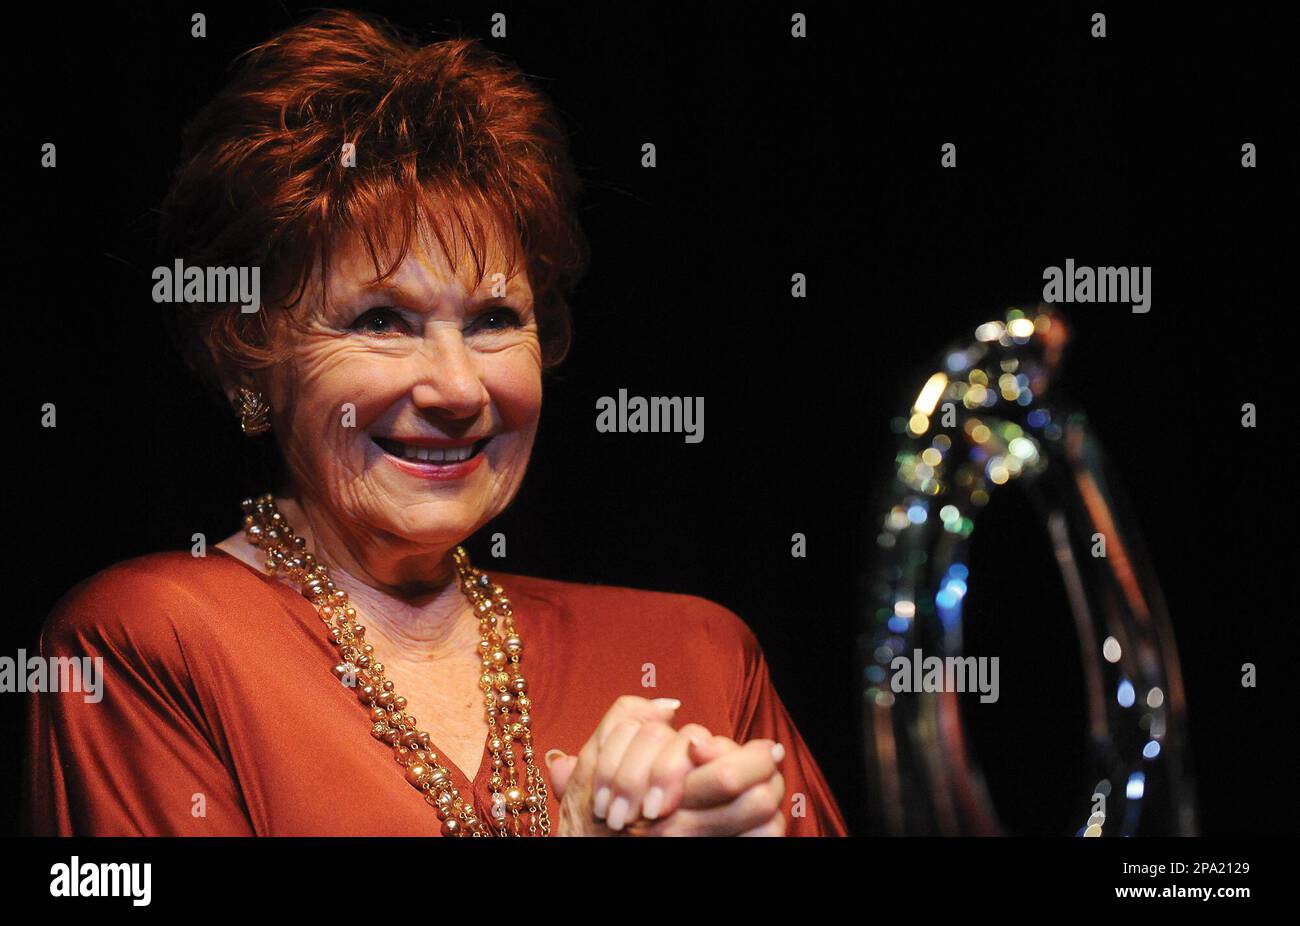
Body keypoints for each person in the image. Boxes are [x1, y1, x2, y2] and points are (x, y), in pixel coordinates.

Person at [25, 9, 847, 837]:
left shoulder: (697, 656)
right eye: (382, 320)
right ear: (250, 355)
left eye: (494, 319)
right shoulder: (148, 643)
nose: (458, 388)